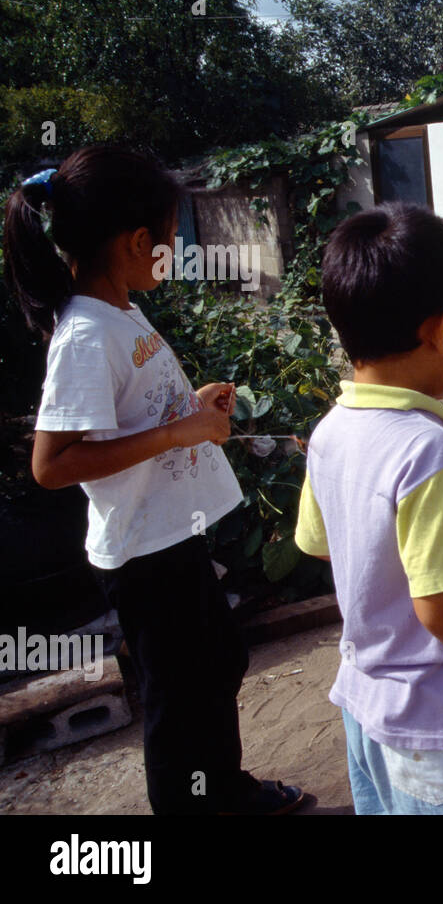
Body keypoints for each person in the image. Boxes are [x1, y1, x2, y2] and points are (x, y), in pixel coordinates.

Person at [7, 146, 304, 814]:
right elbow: (51, 465)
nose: (173, 250)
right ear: (137, 241)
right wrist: (177, 433)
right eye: (171, 238)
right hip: (141, 554)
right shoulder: (85, 334)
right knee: (179, 698)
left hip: (171, 536)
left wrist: (190, 408)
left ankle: (221, 790)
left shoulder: (121, 313)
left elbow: (129, 417)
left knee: (218, 663)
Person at [295, 204, 443, 815]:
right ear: (440, 330)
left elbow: (321, 544)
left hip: (366, 704)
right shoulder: (430, 451)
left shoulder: (330, 430)